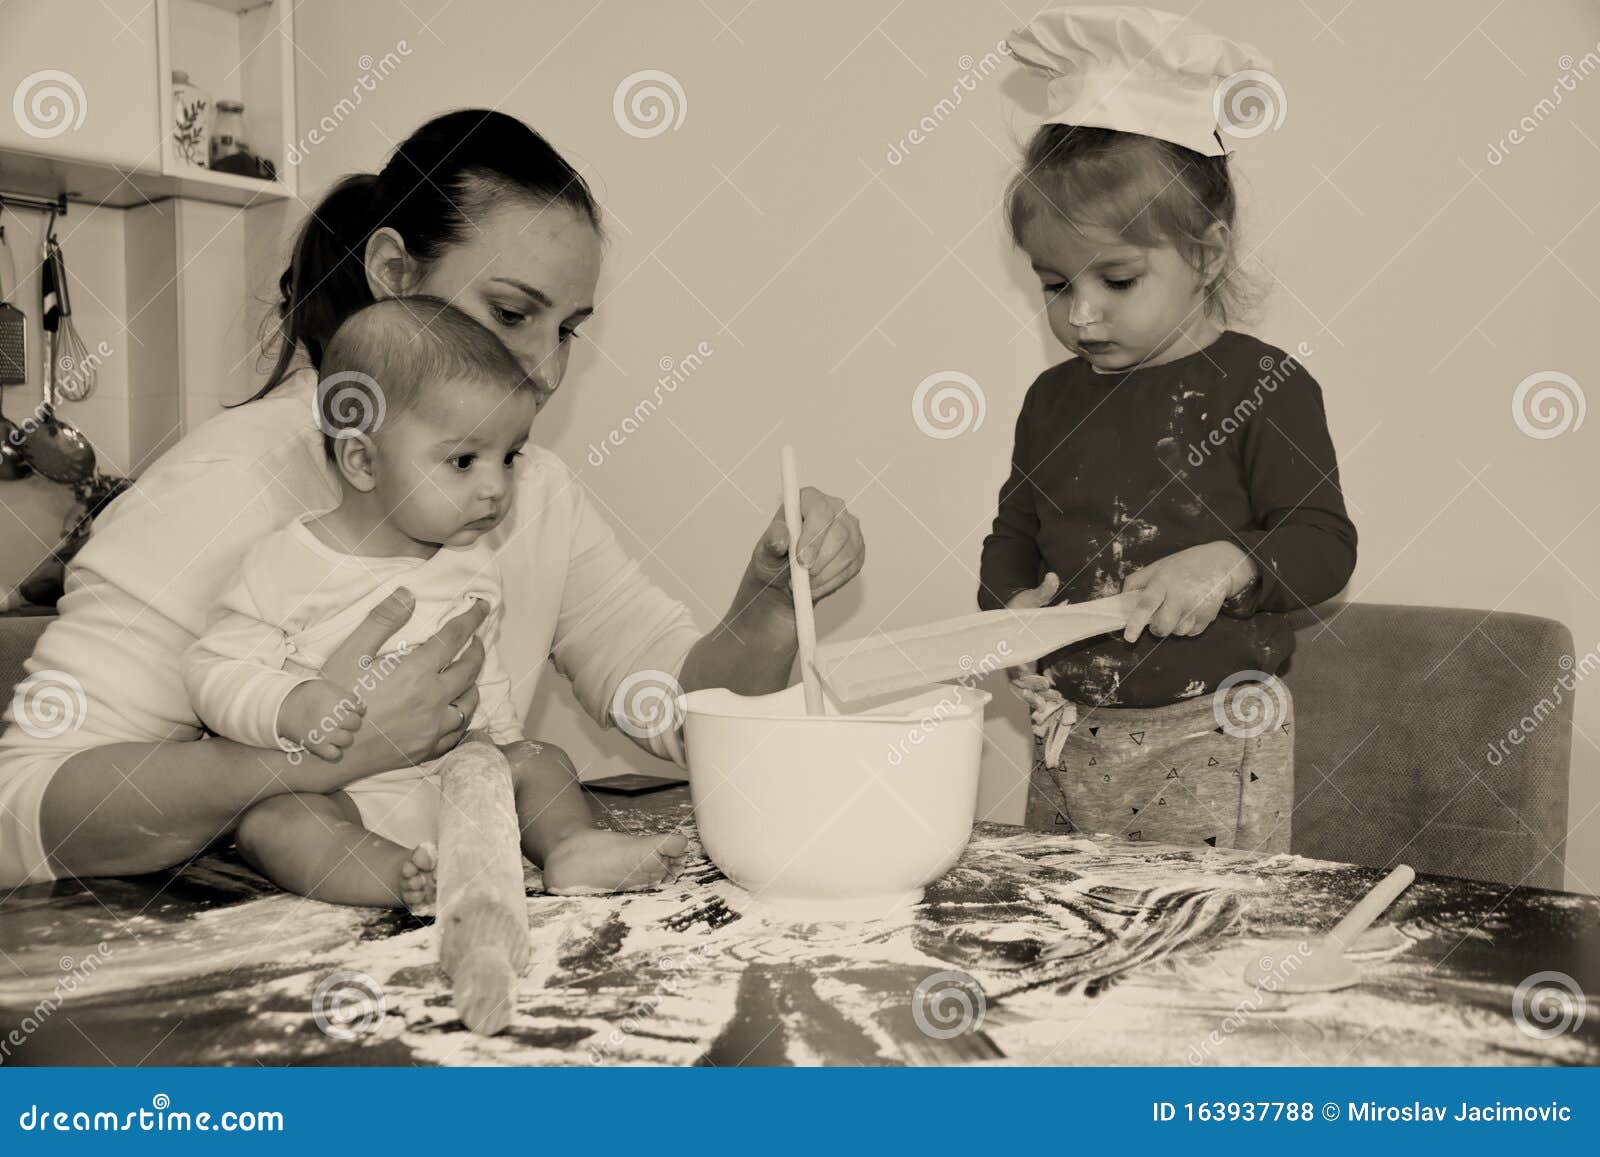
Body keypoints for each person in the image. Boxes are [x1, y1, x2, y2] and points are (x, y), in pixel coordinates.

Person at [0, 109, 864, 891]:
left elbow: (681, 718)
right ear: (390, 271)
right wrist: (306, 754)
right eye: (512, 311)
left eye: (566, 328)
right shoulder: (221, 486)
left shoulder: (531, 494)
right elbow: (24, 810)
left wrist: (768, 607)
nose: (546, 368)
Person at [979, 8, 1356, 852]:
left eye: (1116, 278)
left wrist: (1233, 563)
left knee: (1197, 935)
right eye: (1052, 283)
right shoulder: (1050, 401)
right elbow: (1012, 536)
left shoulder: (1266, 385)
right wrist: (1010, 608)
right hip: (1072, 728)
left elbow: (1325, 543)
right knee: (1073, 930)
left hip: (1215, 732)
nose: (1080, 313)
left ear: (1209, 251)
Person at [182, 297, 687, 909]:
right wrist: (290, 704)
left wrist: (499, 747)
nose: (497, 487)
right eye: (464, 461)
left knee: (542, 758)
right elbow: (212, 671)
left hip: (452, 777)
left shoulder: (468, 562)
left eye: (509, 458)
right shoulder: (285, 564)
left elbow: (481, 672)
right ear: (363, 460)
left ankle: (570, 847)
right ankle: (398, 875)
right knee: (275, 824)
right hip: (338, 791)